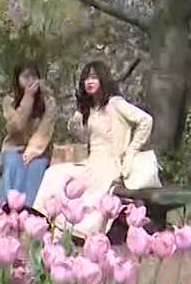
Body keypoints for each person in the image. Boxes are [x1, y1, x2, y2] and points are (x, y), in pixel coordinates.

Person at [33, 61, 153, 238]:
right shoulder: (90, 109)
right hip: (90, 161)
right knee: (54, 173)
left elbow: (146, 120)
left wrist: (131, 149)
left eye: (94, 78)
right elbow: (89, 140)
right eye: (86, 78)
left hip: (109, 164)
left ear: (103, 80)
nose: (89, 82)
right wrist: (76, 125)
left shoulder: (115, 104)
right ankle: (46, 220)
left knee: (93, 187)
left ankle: (81, 230)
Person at [0, 59, 56, 210]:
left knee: (37, 166)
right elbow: (16, 127)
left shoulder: (48, 101)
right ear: (17, 80)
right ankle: (6, 209)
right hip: (13, 148)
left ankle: (30, 211)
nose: (30, 81)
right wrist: (27, 98)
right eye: (25, 77)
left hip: (39, 150)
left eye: (33, 76)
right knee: (13, 165)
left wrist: (33, 150)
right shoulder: (8, 101)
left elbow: (45, 128)